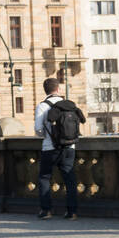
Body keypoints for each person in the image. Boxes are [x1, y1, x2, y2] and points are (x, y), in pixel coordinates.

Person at [35, 77, 84, 220]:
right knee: (70, 179)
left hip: (50, 148)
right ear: (58, 89)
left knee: (44, 178)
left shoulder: (43, 106)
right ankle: (72, 212)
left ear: (45, 90)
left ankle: (46, 211)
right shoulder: (70, 105)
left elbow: (38, 129)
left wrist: (48, 136)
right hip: (70, 146)